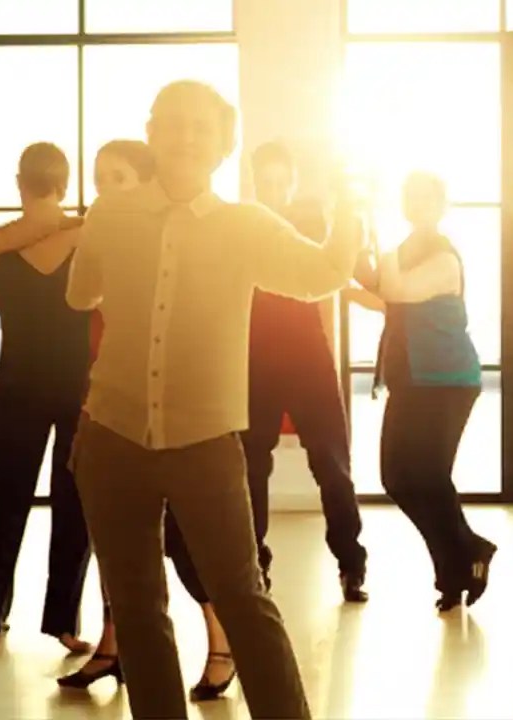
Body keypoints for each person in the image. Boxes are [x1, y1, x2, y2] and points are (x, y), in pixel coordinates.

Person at [65, 79, 360, 719]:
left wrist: (352, 204)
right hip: (111, 435)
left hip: (206, 442)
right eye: (172, 122)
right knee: (138, 604)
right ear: (152, 133)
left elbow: (323, 275)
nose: (186, 135)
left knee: (242, 597)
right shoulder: (110, 215)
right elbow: (80, 294)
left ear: (224, 144)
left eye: (201, 126)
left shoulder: (245, 225)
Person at [161, 140, 370, 701]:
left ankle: (351, 561)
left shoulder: (312, 220)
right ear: (255, 179)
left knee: (332, 463)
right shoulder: (239, 223)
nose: (273, 186)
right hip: (253, 360)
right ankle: (258, 568)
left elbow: (346, 268)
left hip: (309, 358)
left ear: (292, 177)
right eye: (265, 179)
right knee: (249, 469)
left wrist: (352, 210)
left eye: (281, 178)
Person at [0, 143, 92, 655]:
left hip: (18, 383)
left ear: (20, 182)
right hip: (78, 384)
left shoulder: (0, 246)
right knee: (74, 504)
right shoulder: (84, 234)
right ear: (64, 180)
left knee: (4, 501)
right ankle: (63, 623)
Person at [358, 171, 496, 612]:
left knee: (429, 477)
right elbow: (380, 285)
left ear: (441, 205)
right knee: (398, 477)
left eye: (425, 197)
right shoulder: (406, 250)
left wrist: (376, 258)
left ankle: (453, 569)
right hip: (411, 379)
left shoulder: (443, 258)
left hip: (447, 381)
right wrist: (356, 231)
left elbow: (394, 288)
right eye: (409, 196)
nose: (415, 204)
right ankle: (467, 550)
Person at [54, 138, 157, 690]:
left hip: (164, 404)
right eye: (100, 179)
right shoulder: (103, 236)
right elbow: (81, 299)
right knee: (113, 532)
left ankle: (220, 645)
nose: (106, 190)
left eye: (119, 178)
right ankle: (113, 645)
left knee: (187, 547)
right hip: (108, 397)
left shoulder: (163, 238)